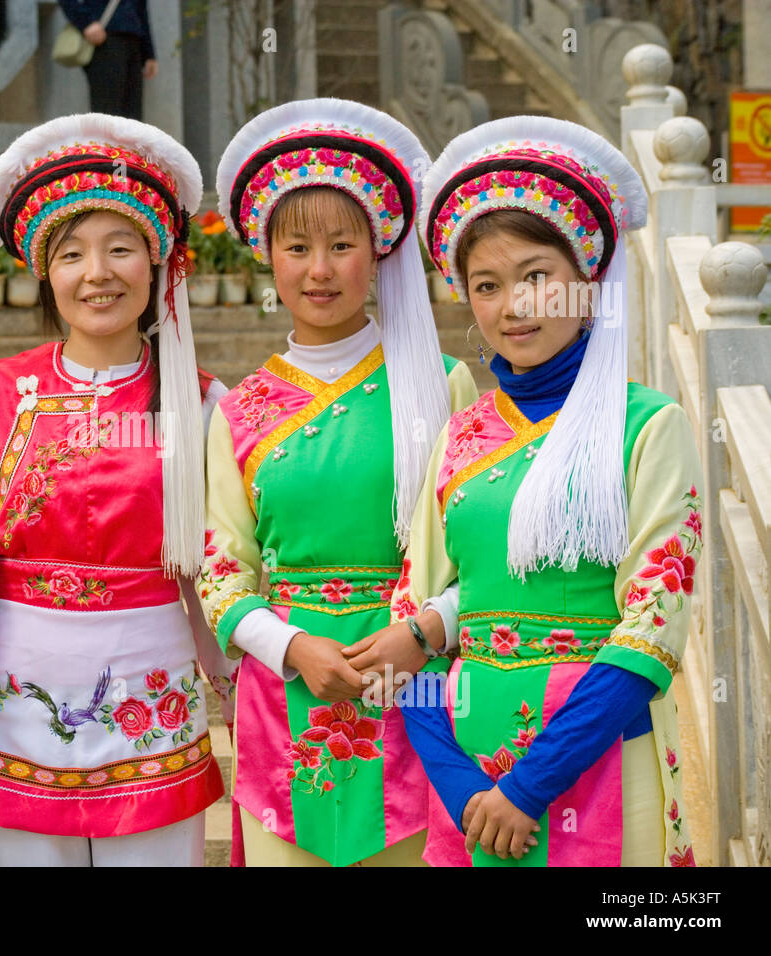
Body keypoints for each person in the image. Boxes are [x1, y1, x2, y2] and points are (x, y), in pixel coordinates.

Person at [393, 115, 701, 866]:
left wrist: (527, 788)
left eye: (537, 276)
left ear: (587, 278)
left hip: (599, 759)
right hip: (470, 779)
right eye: (487, 286)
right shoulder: (460, 436)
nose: (514, 307)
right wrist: (462, 786)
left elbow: (649, 631)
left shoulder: (648, 426)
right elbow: (416, 631)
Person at [200, 99, 478, 866]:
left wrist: (425, 633)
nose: (319, 270)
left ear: (380, 250)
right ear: (268, 257)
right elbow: (223, 572)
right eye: (297, 247)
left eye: (342, 244)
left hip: (421, 686)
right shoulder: (240, 411)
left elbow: (481, 549)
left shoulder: (440, 385)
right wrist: (293, 648)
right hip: (287, 693)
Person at [0, 112, 233, 866]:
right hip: (17, 686)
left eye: (121, 249)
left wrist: (233, 683)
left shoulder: (200, 400)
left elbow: (219, 562)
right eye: (73, 253)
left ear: (156, 266)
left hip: (148, 683)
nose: (97, 273)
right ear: (44, 272)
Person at [58, 0, 156, 119]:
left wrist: (149, 53)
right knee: (107, 115)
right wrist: (86, 22)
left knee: (133, 119)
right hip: (104, 39)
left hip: (134, 40)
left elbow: (141, 7)